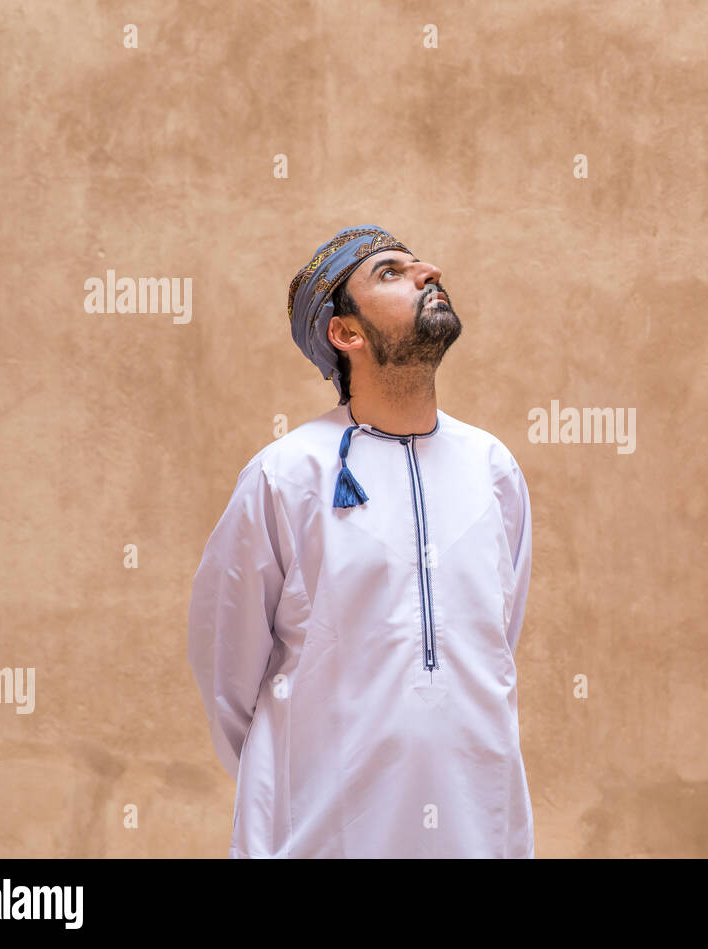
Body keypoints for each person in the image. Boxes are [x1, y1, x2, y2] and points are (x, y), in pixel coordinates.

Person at [187, 225, 534, 858]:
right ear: (345, 334)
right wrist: (291, 779)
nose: (428, 270)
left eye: (417, 262)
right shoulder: (286, 475)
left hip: (475, 832)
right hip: (320, 835)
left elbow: (491, 647)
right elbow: (228, 674)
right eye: (390, 272)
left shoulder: (493, 469)